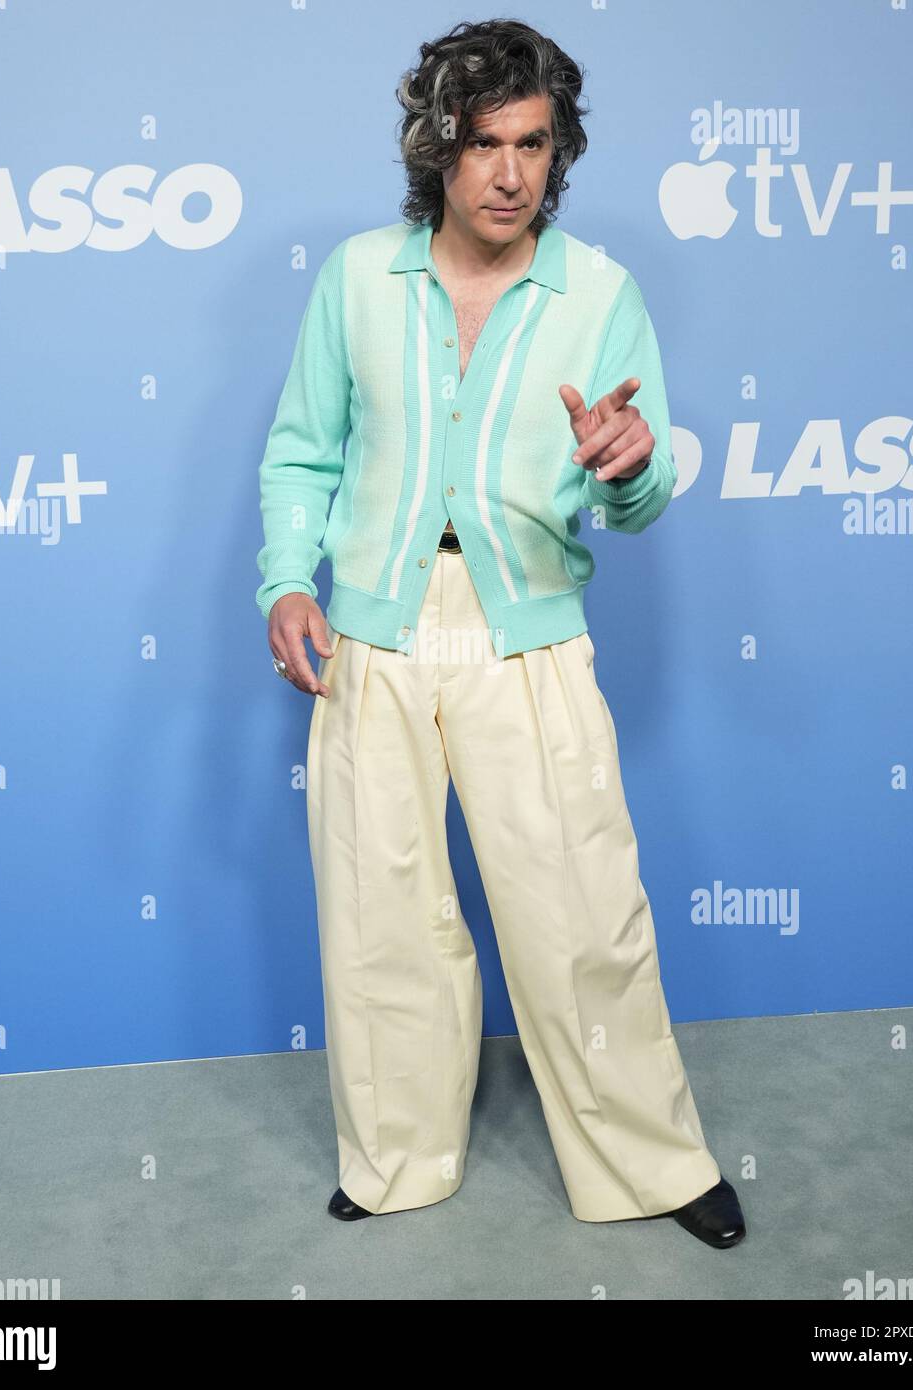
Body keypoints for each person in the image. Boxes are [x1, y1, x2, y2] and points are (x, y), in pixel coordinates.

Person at [255, 17, 745, 1248]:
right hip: (372, 634)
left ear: (556, 151)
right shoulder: (356, 279)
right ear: (437, 147)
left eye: (532, 144)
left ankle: (646, 1162)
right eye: (483, 144)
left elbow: (636, 495)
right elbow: (301, 453)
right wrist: (286, 583)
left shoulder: (600, 296)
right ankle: (397, 1155)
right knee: (380, 913)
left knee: (580, 910)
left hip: (525, 631)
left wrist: (628, 463)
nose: (509, 173)